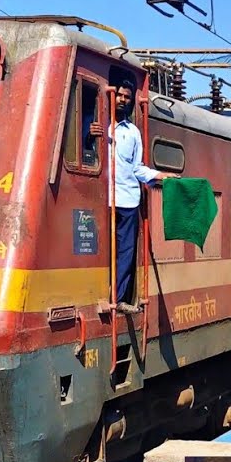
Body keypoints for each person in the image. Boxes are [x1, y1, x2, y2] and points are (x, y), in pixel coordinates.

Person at [88, 80, 167, 314]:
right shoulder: (97, 124)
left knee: (125, 250)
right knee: (102, 248)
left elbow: (137, 167)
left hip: (128, 198)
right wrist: (89, 137)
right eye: (120, 95)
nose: (123, 99)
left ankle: (120, 297)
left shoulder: (133, 132)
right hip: (103, 197)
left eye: (127, 97)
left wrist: (161, 175)